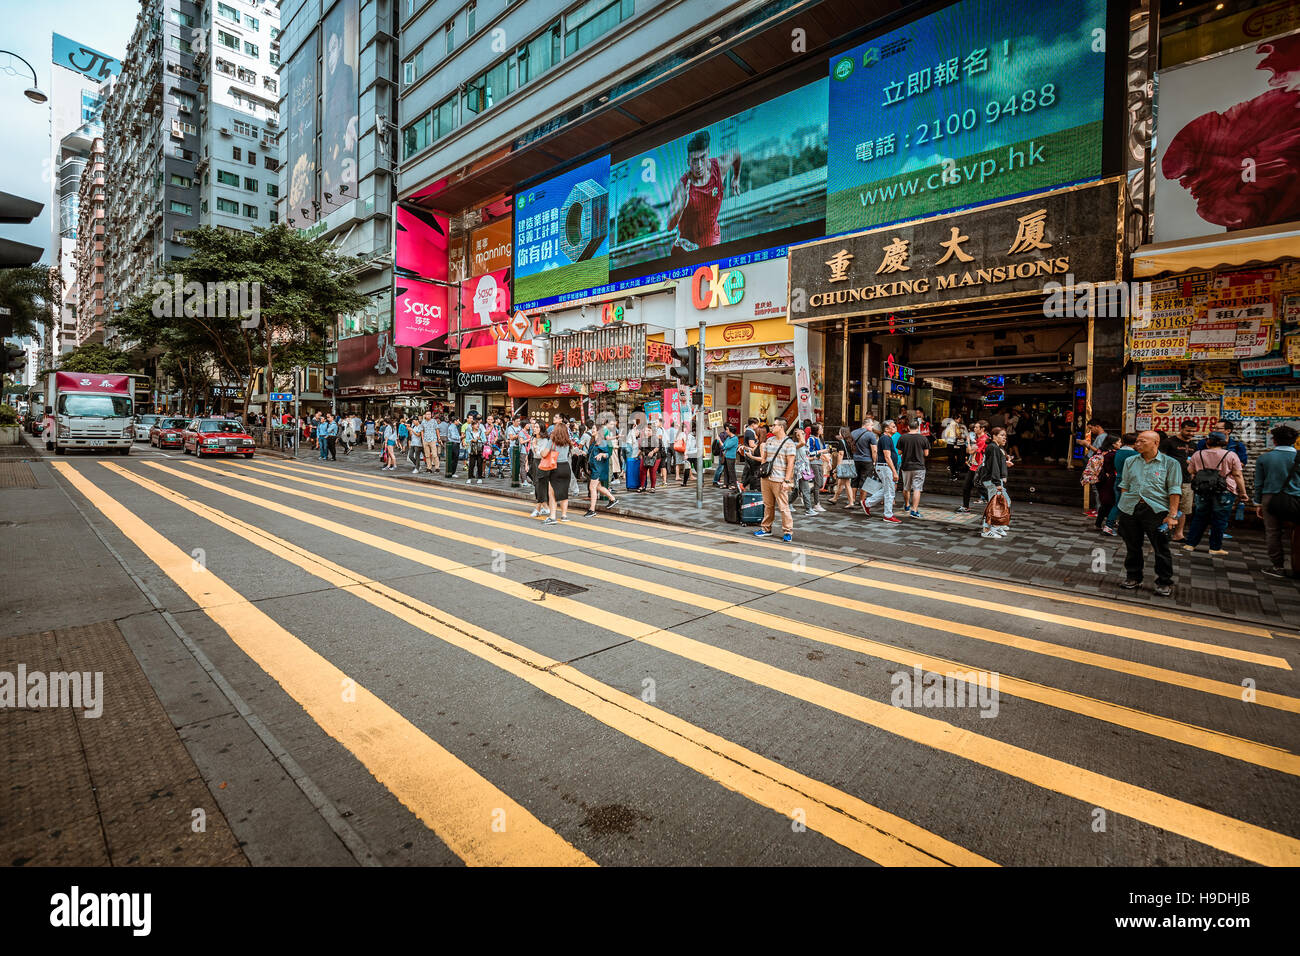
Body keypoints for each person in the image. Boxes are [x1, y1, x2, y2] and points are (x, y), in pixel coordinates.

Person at [1116, 430, 1183, 597]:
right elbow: (1125, 485)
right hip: (1130, 508)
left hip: (1157, 510)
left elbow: (1174, 490)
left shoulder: (1170, 463)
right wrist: (1123, 506)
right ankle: (1133, 576)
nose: (1137, 444)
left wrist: (1172, 515)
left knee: (1161, 548)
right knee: (1132, 546)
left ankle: (1163, 581)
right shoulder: (1130, 461)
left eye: (1142, 441)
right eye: (1137, 441)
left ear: (1156, 443)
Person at [665, 128, 741, 252]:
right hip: (686, 245)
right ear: (688, 162)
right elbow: (669, 226)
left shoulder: (719, 167)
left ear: (708, 153)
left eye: (703, 158)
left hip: (711, 239)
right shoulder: (682, 187)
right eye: (694, 160)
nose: (699, 165)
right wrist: (682, 206)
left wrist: (736, 177)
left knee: (714, 268)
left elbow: (736, 153)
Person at [1182, 431, 1249, 556]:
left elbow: (1191, 471)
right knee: (1220, 519)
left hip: (1203, 490)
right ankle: (1215, 547)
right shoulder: (1231, 455)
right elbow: (1238, 475)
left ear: (1208, 441)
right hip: (1225, 490)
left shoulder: (1198, 454)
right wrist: (1243, 493)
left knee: (1199, 517)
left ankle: (1190, 544)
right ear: (1224, 442)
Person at [1253, 424, 1300, 578]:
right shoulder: (1298, 457)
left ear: (1274, 440)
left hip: (1270, 498)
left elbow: (1259, 483)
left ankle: (1278, 567)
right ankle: (1297, 565)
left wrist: (1258, 503)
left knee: (1273, 533)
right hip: (1297, 498)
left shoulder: (1265, 458)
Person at [753, 418, 796, 542]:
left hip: (780, 480)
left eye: (774, 425)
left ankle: (788, 531)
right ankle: (766, 528)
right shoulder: (770, 440)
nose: (772, 427)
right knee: (768, 505)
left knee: (783, 507)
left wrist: (787, 481)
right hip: (766, 478)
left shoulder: (789, 443)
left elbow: (790, 464)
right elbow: (764, 458)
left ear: (781, 427)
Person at [1160, 419, 1198, 542]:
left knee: (1184, 509)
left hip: (1186, 481)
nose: (1191, 433)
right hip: (1168, 480)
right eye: (1188, 430)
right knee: (1165, 506)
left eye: (1193, 431)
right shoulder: (1169, 442)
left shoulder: (1194, 445)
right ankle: (1162, 530)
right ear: (1181, 428)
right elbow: (1161, 459)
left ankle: (1179, 534)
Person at [861, 419, 902, 522]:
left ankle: (867, 503)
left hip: (884, 467)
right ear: (887, 429)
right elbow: (887, 456)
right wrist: (894, 471)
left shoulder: (887, 438)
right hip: (885, 467)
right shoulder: (885, 439)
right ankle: (888, 515)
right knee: (890, 492)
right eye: (893, 426)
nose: (895, 428)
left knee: (887, 489)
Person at [977, 426, 1010, 538]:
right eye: (1001, 435)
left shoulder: (995, 447)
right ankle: (987, 530)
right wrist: (997, 483)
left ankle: (995, 526)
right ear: (994, 436)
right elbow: (994, 466)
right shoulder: (993, 447)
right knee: (993, 506)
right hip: (992, 481)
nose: (1004, 437)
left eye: (1005, 435)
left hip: (993, 480)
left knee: (1003, 503)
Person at [895, 418, 930, 518]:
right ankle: (914, 510)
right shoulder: (923, 438)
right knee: (917, 488)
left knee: (906, 488)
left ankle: (906, 505)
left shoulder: (903, 437)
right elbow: (926, 454)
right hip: (919, 466)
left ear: (908, 427)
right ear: (918, 427)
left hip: (906, 466)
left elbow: (899, 452)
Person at [542, 421, 575, 523]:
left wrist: (539, 450)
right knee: (564, 492)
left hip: (555, 467)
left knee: (552, 493)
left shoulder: (552, 441)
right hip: (566, 467)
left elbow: (544, 454)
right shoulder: (568, 442)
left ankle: (552, 517)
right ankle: (564, 516)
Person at [584, 431, 618, 517]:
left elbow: (608, 454)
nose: (592, 430)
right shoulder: (594, 442)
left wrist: (602, 454)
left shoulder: (602, 442)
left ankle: (592, 510)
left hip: (598, 469)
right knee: (598, 487)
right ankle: (612, 499)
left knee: (592, 487)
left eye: (594, 428)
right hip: (594, 468)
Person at [957, 420, 988, 514]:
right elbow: (969, 451)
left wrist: (968, 441)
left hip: (980, 467)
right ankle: (965, 507)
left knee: (981, 488)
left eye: (977, 427)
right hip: (974, 466)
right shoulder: (978, 438)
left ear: (982, 429)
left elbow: (970, 451)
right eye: (974, 427)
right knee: (966, 486)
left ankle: (996, 504)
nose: (974, 429)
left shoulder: (984, 439)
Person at [849, 417, 879, 510]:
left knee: (854, 479)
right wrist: (875, 461)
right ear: (866, 425)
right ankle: (862, 500)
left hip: (855, 459)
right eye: (871, 425)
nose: (872, 427)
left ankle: (852, 499)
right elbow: (874, 450)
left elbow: (850, 446)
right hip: (867, 460)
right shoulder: (870, 435)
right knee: (865, 480)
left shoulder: (853, 433)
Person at [827, 426, 858, 508]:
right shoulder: (851, 441)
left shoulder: (842, 442)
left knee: (847, 483)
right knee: (841, 482)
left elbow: (840, 454)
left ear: (842, 433)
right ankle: (835, 498)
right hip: (850, 463)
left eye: (840, 432)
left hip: (843, 464)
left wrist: (838, 466)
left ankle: (851, 502)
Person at [527, 421, 550, 518]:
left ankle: (538, 508)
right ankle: (544, 507)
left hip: (542, 463)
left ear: (541, 429)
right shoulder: (534, 438)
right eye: (534, 427)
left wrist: (535, 445)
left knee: (540, 485)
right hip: (535, 463)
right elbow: (531, 453)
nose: (534, 428)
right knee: (537, 484)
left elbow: (541, 454)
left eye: (537, 427)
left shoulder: (545, 440)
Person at [942, 414, 966, 480]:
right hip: (955, 443)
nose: (960, 420)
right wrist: (964, 436)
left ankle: (953, 473)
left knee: (952, 459)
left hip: (950, 443)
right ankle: (955, 472)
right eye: (959, 418)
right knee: (959, 459)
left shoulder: (949, 425)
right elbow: (958, 435)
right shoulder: (955, 424)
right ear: (957, 419)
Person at [464, 414, 488, 484]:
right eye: (476, 424)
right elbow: (467, 440)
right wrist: (472, 440)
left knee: (479, 464)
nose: (477, 426)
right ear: (472, 426)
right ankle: (469, 478)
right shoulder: (469, 432)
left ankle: (479, 478)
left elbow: (485, 440)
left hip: (480, 450)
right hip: (472, 450)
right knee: (471, 464)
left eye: (478, 424)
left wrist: (480, 439)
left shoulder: (481, 432)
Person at [720, 424, 739, 490]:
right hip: (726, 456)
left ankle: (734, 484)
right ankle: (726, 483)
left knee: (731, 471)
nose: (726, 431)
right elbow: (724, 445)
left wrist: (719, 441)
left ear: (730, 431)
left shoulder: (735, 438)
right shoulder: (728, 438)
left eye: (727, 429)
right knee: (725, 470)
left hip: (731, 457)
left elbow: (726, 446)